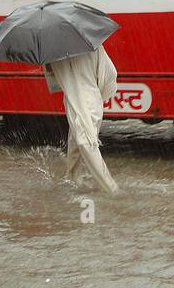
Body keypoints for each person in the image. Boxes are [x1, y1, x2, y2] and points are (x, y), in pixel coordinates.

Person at [45, 45, 119, 194]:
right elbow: (110, 72)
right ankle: (73, 180)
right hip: (91, 100)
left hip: (80, 103)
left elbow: (54, 78)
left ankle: (111, 188)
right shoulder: (91, 44)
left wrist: (50, 64)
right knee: (75, 144)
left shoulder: (52, 50)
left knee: (85, 143)